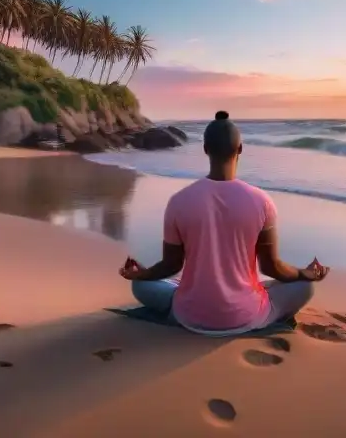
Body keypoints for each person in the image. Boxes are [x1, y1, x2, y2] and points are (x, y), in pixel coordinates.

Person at [118, 111, 329, 335]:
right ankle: (255, 307)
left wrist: (143, 274)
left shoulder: (178, 202)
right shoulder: (261, 202)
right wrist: (302, 274)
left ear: (206, 149)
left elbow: (171, 266)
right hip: (246, 315)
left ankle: (193, 296)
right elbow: (270, 267)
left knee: (141, 285)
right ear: (240, 149)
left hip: (189, 315)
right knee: (305, 287)